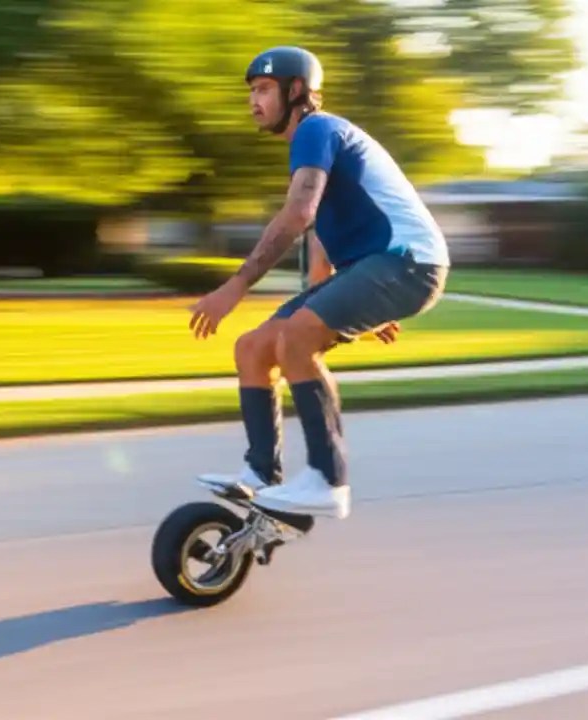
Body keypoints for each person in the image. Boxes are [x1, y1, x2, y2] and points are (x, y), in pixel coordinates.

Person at [189, 46, 450, 520]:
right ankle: (261, 473)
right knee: (253, 348)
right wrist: (348, 308)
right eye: (252, 92)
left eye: (264, 89)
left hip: (410, 261)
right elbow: (320, 250)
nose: (254, 101)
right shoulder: (314, 144)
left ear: (296, 91)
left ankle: (328, 479)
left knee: (297, 337)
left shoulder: (316, 129)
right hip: (373, 269)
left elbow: (299, 213)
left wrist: (237, 285)